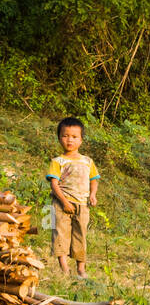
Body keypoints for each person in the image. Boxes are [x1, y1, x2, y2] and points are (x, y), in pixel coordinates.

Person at [46, 117, 100, 277]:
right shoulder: (57, 161)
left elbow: (94, 180)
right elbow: (54, 184)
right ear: (59, 138)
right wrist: (64, 202)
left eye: (74, 136)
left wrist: (93, 195)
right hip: (62, 204)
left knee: (80, 234)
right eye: (65, 135)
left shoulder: (87, 161)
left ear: (81, 140)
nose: (70, 140)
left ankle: (81, 269)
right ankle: (65, 269)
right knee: (60, 234)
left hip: (82, 205)